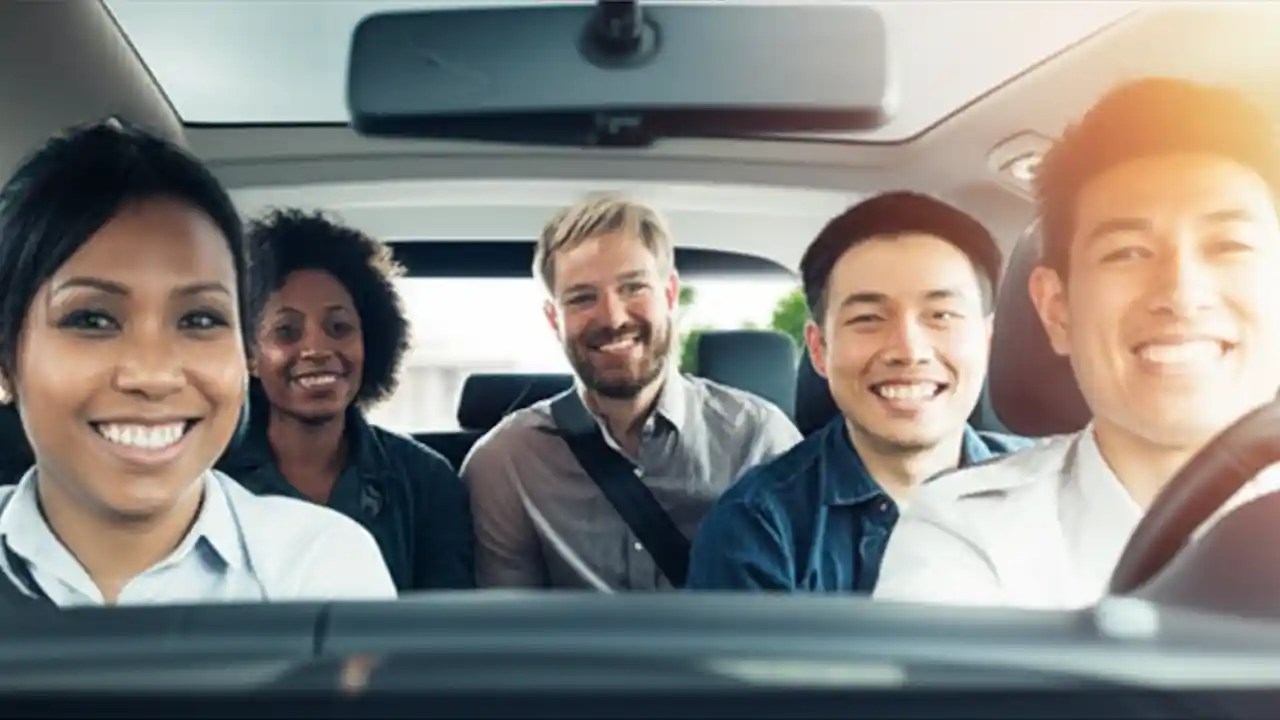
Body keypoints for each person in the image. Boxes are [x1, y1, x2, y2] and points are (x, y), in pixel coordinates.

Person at [874, 78, 1280, 609]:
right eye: (1128, 252)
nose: (1181, 294)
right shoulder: (968, 536)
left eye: (1228, 245)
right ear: (1056, 310)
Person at [0, 120, 396, 606]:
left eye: (199, 319)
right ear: (5, 361)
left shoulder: (321, 565)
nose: (153, 376)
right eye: (93, 320)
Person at [686, 192, 1032, 592]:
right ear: (819, 349)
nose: (908, 350)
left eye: (941, 316)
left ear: (986, 339)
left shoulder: (1056, 495)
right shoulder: (758, 528)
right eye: (868, 318)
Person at [462, 194, 802, 590]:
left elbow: (798, 618)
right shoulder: (505, 465)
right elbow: (506, 637)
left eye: (633, 287)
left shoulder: (760, 442)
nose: (613, 317)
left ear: (670, 295)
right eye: (582, 298)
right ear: (554, 318)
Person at [216, 209, 474, 591]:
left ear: (368, 341)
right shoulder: (209, 476)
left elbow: (444, 635)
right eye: (286, 332)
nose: (317, 349)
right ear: (249, 356)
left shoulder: (425, 481)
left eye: (339, 328)